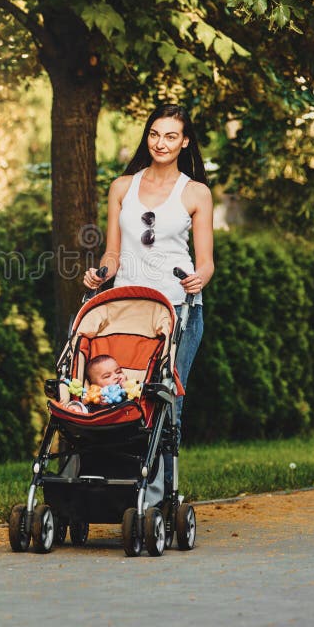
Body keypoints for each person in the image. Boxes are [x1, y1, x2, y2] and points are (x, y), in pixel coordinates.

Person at [82, 103, 214, 502]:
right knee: (125, 395)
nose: (161, 142)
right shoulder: (122, 187)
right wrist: (99, 275)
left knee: (166, 397)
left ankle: (161, 494)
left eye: (171, 136)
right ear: (147, 137)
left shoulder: (195, 192)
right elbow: (112, 255)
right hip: (131, 309)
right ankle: (120, 482)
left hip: (178, 309)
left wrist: (199, 279)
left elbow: (206, 263)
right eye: (155, 134)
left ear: (184, 141)